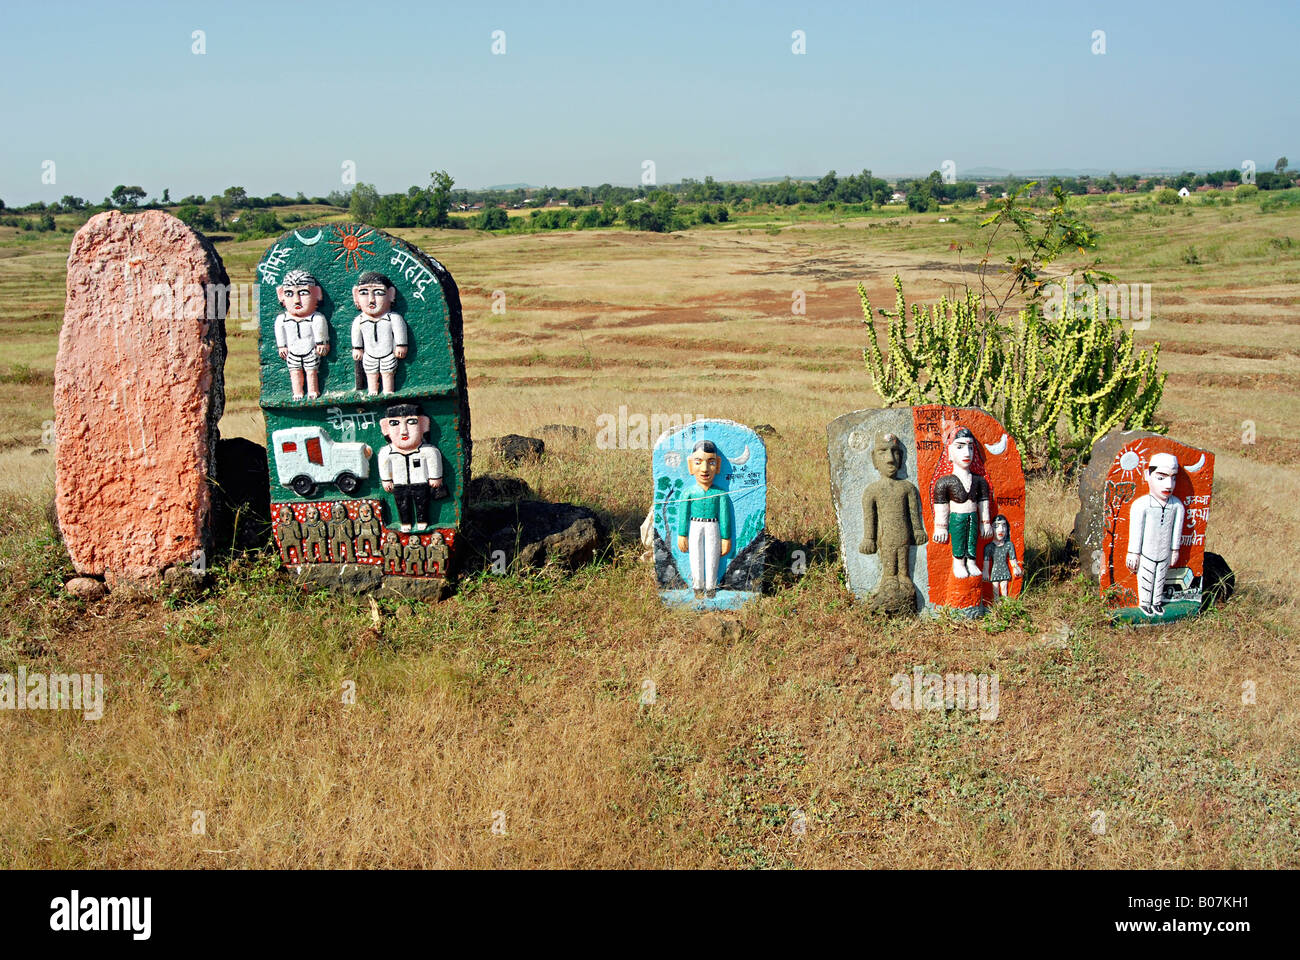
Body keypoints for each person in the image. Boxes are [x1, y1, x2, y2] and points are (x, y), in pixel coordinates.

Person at [858, 432, 927, 608]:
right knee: (889, 563)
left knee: (903, 563)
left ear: (901, 457)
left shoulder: (907, 488)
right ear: (874, 458)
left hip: (904, 535)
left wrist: (918, 530)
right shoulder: (872, 491)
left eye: (895, 452)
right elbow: (869, 517)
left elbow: (913, 514)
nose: (890, 459)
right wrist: (869, 539)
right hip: (885, 537)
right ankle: (889, 580)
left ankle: (904, 579)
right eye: (883, 452)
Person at [1125, 452, 1184, 617]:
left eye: (1173, 478)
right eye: (1161, 477)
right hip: (1146, 553)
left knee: (1160, 579)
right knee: (1145, 578)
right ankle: (1145, 603)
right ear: (1147, 475)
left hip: (1165, 553)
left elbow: (1176, 531)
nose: (1169, 485)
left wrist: (1175, 550)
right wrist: (1133, 552)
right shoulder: (1142, 505)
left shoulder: (1177, 506)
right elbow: (1136, 530)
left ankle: (1156, 603)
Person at [931, 427, 993, 580]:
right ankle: (958, 563)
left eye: (970, 447)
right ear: (950, 452)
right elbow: (941, 507)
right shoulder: (944, 482)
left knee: (972, 538)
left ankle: (971, 561)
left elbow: (983, 503)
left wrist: (985, 523)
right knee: (959, 539)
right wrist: (941, 527)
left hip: (973, 516)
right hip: (957, 517)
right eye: (960, 447)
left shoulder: (979, 481)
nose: (967, 453)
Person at [674, 440, 733, 598]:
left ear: (718, 465)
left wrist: (726, 538)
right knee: (695, 555)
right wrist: (682, 534)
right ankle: (697, 586)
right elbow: (683, 514)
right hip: (695, 526)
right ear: (691, 465)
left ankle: (711, 587)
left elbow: (724, 516)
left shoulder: (720, 494)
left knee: (713, 554)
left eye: (711, 462)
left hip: (713, 526)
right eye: (698, 462)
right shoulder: (689, 493)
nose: (705, 469)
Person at [377, 403, 444, 533]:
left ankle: (422, 520)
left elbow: (434, 462)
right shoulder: (387, 452)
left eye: (411, 422)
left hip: (420, 482)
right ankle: (405, 522)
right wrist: (386, 480)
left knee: (422, 503)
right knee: (402, 504)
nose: (403, 431)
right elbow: (384, 466)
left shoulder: (428, 451)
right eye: (394, 423)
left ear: (424, 424)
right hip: (399, 484)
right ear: (385, 427)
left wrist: (435, 477)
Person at [273, 269, 329, 400]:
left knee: (311, 371)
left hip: (310, 350)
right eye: (289, 294)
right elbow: (280, 333)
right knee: (294, 372)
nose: (296, 301)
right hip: (292, 352)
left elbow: (320, 332)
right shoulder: (282, 319)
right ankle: (297, 392)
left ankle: (312, 391)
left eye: (303, 293)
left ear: (316, 293)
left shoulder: (316, 318)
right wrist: (282, 346)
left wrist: (321, 343)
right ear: (281, 295)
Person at [350, 272, 407, 395]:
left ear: (391, 294)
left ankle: (388, 390)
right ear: (356, 296)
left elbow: (399, 332)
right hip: (369, 355)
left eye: (379, 293)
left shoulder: (393, 318)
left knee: (387, 372)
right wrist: (357, 349)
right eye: (364, 293)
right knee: (370, 373)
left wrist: (401, 345)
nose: (371, 299)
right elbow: (356, 336)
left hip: (388, 354)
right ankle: (373, 391)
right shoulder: (359, 320)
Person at [982, 514, 1022, 598]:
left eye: (1004, 526)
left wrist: (1015, 567)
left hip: (1004, 569)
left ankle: (1005, 605)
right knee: (995, 589)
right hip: (994, 571)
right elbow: (986, 561)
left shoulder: (1009, 545)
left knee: (1004, 588)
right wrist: (985, 572)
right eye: (996, 526)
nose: (1001, 530)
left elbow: (1012, 559)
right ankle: (996, 607)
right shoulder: (989, 547)